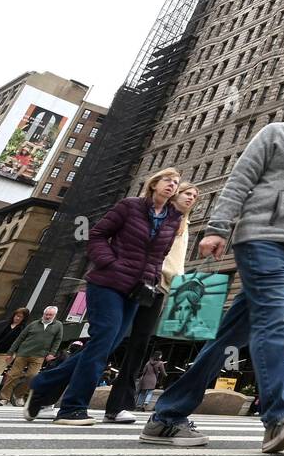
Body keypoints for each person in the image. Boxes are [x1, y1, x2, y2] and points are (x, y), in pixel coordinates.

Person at [140, 81, 284, 453]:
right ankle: (279, 416)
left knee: (226, 339)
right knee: (276, 319)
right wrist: (218, 228)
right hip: (263, 239)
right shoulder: (277, 133)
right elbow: (241, 179)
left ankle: (166, 418)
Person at [24, 168, 183, 425]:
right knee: (104, 338)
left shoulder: (172, 218)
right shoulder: (129, 206)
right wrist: (108, 262)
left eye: (176, 183)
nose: (172, 185)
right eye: (168, 180)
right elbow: (97, 235)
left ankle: (43, 384)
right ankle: (71, 408)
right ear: (154, 184)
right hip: (107, 283)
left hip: (137, 289)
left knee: (104, 346)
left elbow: (159, 255)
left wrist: (151, 279)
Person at [103, 182, 199, 423]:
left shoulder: (183, 223)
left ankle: (119, 405)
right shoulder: (159, 217)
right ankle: (50, 387)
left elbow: (175, 261)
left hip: (160, 288)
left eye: (195, 196)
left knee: (138, 345)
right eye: (188, 193)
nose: (192, 198)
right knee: (108, 340)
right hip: (142, 282)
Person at [0, 305, 64, 406]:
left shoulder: (58, 325)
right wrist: (10, 352)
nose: (47, 316)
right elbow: (20, 338)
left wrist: (51, 353)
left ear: (54, 315)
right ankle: (4, 398)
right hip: (23, 353)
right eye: (46, 314)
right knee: (12, 375)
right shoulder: (33, 324)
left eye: (50, 315)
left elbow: (57, 340)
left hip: (39, 355)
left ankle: (18, 395)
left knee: (32, 377)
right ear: (43, 314)